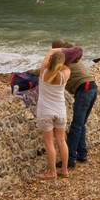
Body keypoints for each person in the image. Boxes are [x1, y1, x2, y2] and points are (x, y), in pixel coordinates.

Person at [58, 41, 98, 171]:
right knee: (81, 124)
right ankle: (82, 154)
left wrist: (29, 73)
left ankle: (70, 159)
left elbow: (44, 71)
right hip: (92, 88)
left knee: (75, 126)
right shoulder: (74, 60)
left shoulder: (63, 61)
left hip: (84, 90)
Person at [34, 47, 70, 180]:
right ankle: (65, 170)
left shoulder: (43, 72)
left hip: (45, 112)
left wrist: (57, 48)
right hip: (60, 111)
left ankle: (52, 172)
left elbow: (48, 54)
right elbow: (64, 65)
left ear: (50, 61)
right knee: (61, 140)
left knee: (49, 143)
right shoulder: (65, 73)